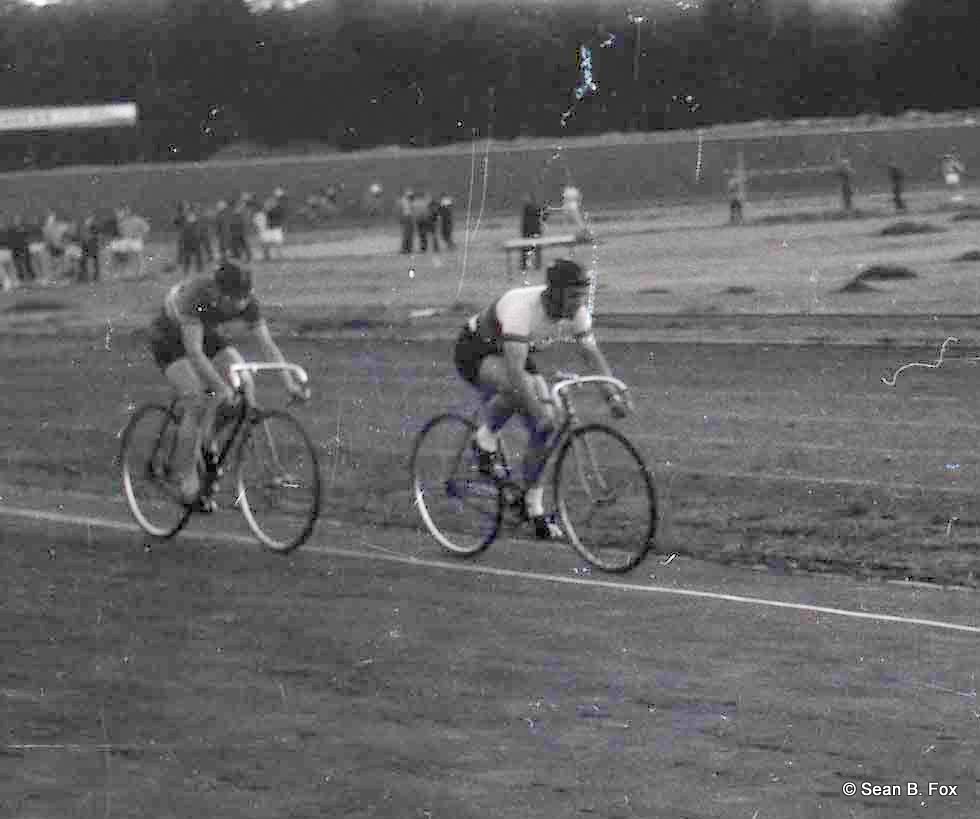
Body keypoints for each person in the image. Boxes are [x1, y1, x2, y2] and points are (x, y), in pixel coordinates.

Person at [453, 259, 629, 540]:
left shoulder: (577, 312)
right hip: (476, 350)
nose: (577, 304)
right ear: (554, 292)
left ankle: (532, 506)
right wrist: (536, 410)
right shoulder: (523, 309)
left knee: (547, 426)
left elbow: (590, 354)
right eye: (572, 296)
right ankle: (484, 440)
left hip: (517, 354)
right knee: (521, 394)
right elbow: (514, 371)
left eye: (582, 296)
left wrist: (613, 393)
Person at [147, 261, 307, 507]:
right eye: (233, 300)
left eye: (244, 298)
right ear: (218, 292)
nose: (240, 305)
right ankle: (187, 479)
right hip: (169, 338)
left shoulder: (246, 301)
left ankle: (265, 466)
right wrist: (220, 388)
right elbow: (194, 352)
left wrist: (289, 383)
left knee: (245, 382)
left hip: (202, 331)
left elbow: (268, 346)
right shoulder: (197, 295)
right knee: (197, 398)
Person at [520, 193, 544, 273]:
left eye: (526, 198)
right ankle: (526, 266)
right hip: (529, 232)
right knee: (527, 250)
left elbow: (544, 215)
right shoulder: (527, 207)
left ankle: (535, 265)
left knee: (535, 249)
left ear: (530, 199)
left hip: (533, 232)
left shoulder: (534, 207)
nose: (524, 199)